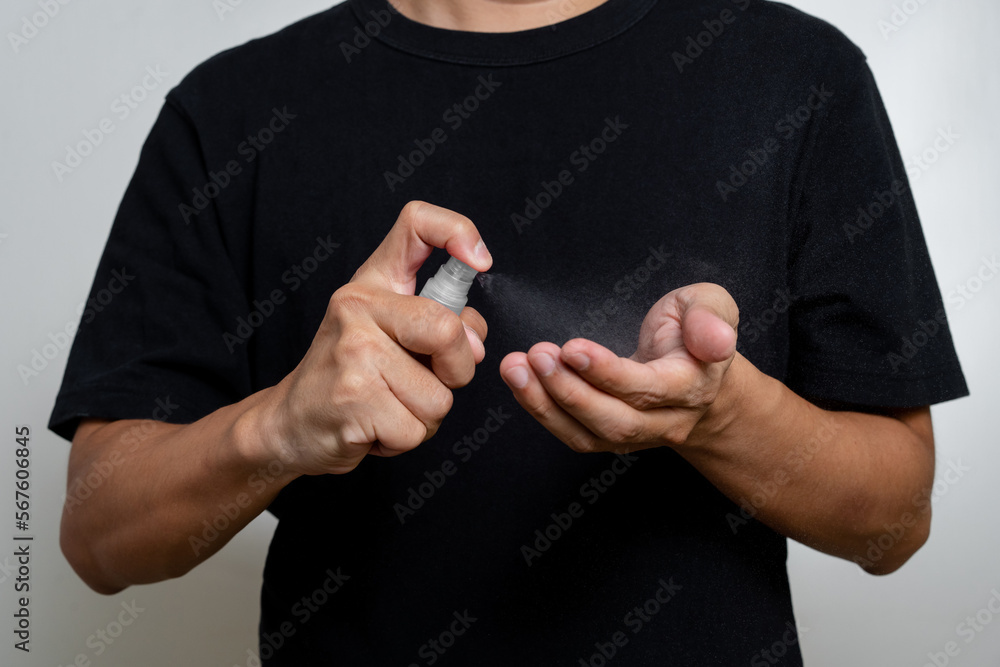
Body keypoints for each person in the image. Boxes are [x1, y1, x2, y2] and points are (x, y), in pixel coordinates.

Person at [50, 0, 968, 663]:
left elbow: (897, 521)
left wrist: (719, 412)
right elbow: (98, 536)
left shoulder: (797, 74)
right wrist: (280, 425)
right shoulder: (231, 111)